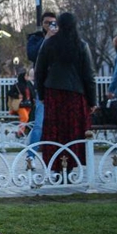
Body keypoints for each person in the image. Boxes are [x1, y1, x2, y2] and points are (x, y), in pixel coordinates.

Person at [35, 12, 96, 176]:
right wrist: (92, 101)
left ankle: (57, 163)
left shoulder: (49, 44)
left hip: (54, 94)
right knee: (72, 131)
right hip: (75, 95)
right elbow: (88, 75)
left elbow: (39, 72)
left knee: (56, 131)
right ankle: (69, 164)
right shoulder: (81, 45)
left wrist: (41, 94)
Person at [26, 11, 57, 148]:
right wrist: (47, 38)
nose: (50, 25)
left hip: (59, 83)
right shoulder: (36, 39)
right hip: (43, 84)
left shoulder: (61, 38)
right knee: (39, 122)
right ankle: (31, 154)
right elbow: (32, 55)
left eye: (53, 23)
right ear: (42, 24)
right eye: (47, 23)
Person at [7, 70, 35, 138]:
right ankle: (20, 132)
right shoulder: (17, 85)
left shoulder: (28, 85)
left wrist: (33, 100)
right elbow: (9, 93)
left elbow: (31, 93)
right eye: (26, 76)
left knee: (25, 119)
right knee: (25, 117)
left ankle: (22, 131)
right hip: (20, 105)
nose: (27, 77)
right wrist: (17, 96)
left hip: (28, 105)